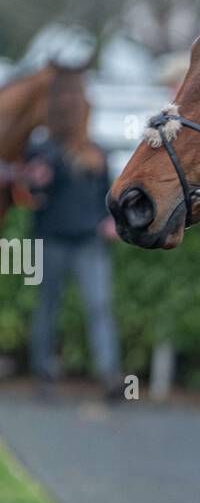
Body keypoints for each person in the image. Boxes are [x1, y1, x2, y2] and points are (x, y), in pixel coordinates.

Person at [24, 71, 122, 399]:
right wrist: (35, 180)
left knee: (98, 306)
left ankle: (110, 376)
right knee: (47, 308)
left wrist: (110, 220)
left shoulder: (97, 151)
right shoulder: (41, 149)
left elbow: (107, 194)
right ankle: (43, 375)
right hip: (50, 239)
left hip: (89, 240)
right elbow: (29, 192)